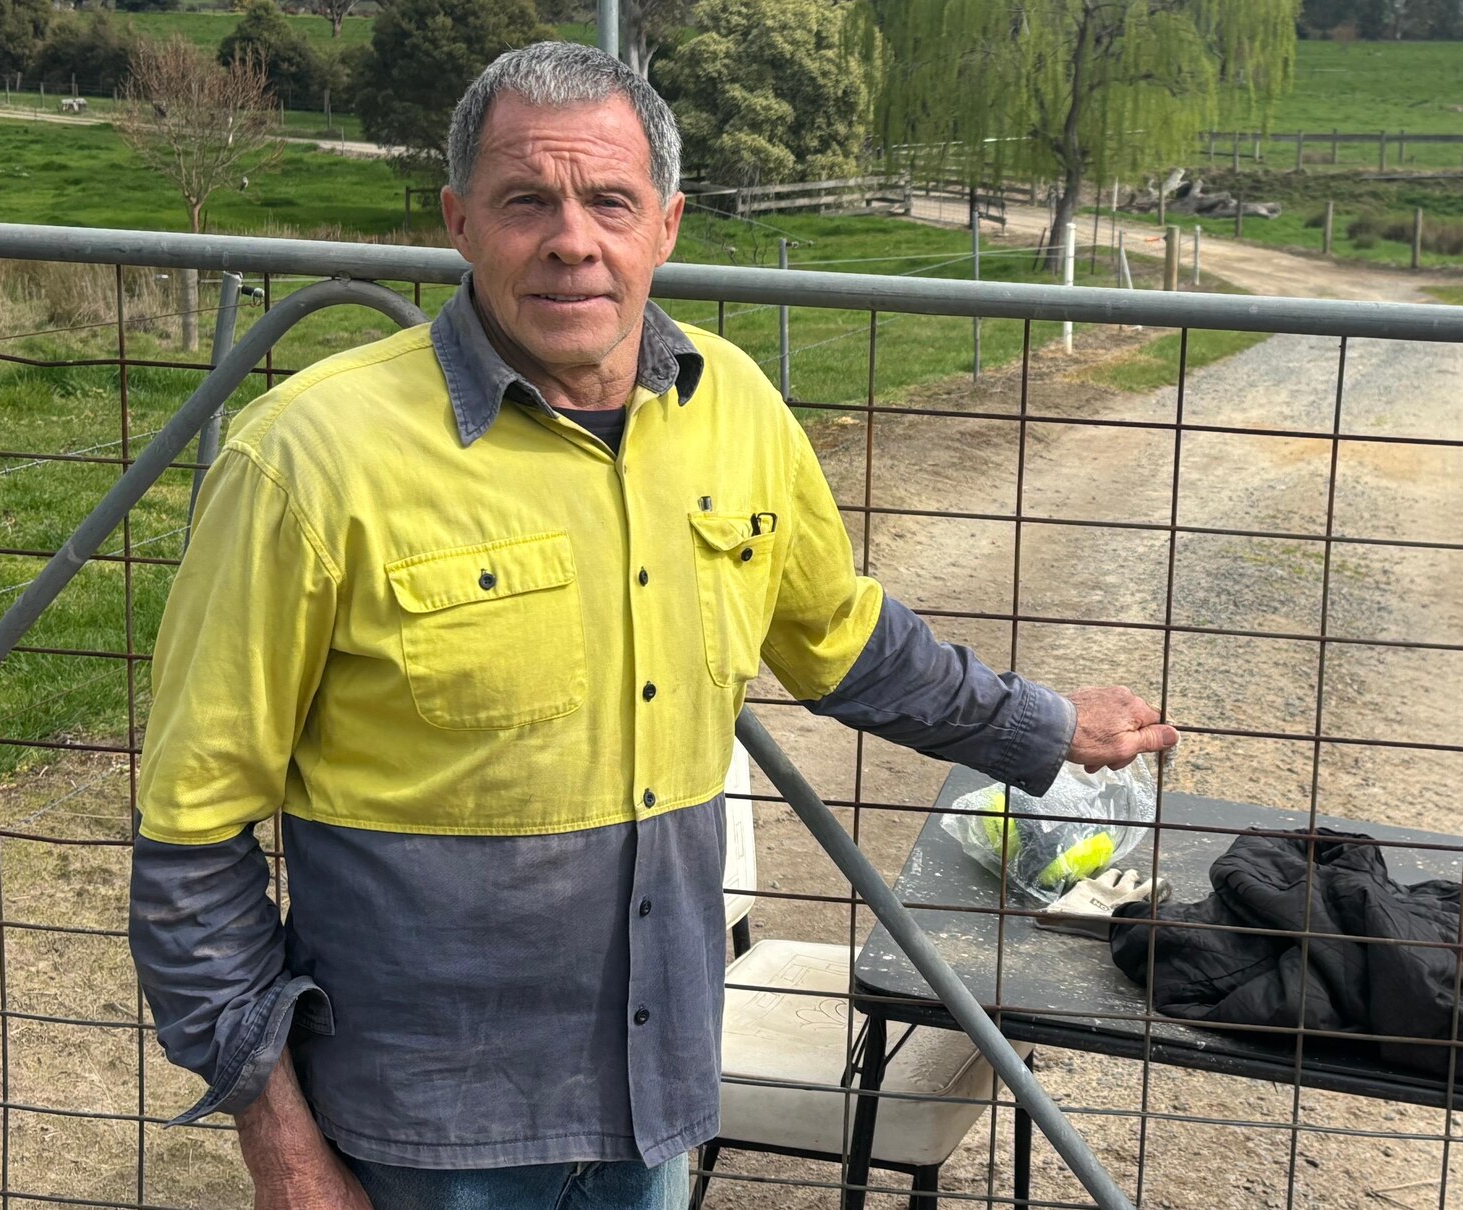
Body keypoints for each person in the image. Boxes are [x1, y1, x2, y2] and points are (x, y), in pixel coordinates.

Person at [128, 41, 1177, 1210]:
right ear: (457, 222)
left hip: (656, 1104)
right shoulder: (307, 461)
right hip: (420, 1133)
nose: (571, 238)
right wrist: (277, 1142)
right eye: (526, 199)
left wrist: (1043, 724)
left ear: (665, 225)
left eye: (608, 200)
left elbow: (843, 636)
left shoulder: (735, 409)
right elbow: (189, 836)